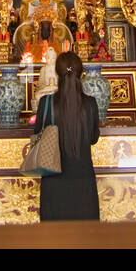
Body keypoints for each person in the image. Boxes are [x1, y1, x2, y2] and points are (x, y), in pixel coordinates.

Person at [33, 50, 100, 221]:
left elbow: (37, 134)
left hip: (53, 181)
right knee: (87, 237)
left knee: (53, 237)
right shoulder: (90, 104)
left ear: (57, 73)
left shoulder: (46, 103)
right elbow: (93, 138)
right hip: (83, 180)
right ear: (81, 73)